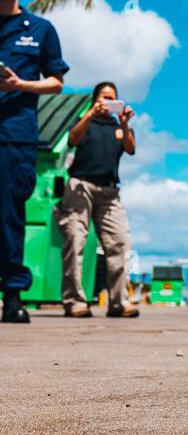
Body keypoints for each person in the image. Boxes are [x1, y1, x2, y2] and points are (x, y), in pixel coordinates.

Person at [0, 0, 69, 323]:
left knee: (9, 215)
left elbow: (56, 82)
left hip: (14, 136)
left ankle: (12, 298)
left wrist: (19, 85)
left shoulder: (40, 29)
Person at [56, 81, 138, 318]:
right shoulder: (85, 122)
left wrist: (124, 122)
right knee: (75, 241)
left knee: (120, 244)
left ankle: (118, 302)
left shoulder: (119, 127)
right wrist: (91, 114)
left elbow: (130, 149)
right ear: (94, 100)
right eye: (102, 97)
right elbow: (73, 139)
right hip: (80, 187)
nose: (106, 101)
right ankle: (75, 301)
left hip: (109, 191)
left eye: (111, 98)